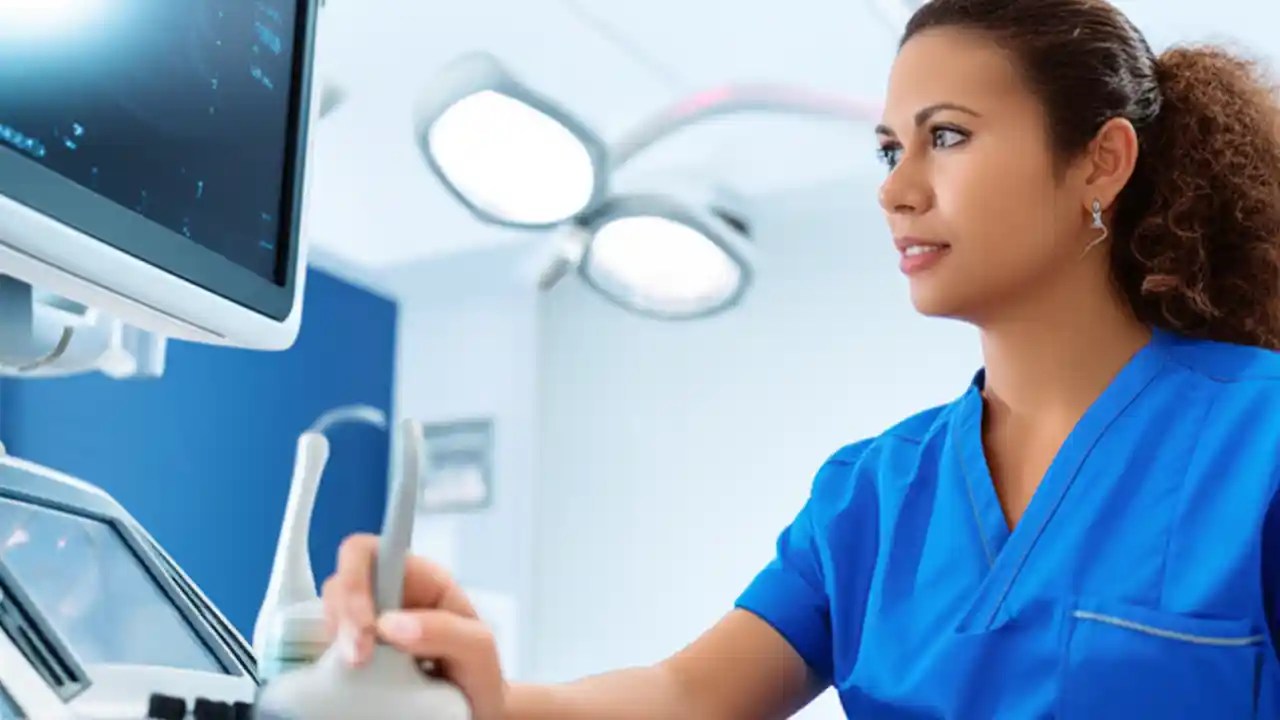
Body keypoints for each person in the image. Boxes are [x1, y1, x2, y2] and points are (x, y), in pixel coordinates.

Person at [320, 0, 1280, 716]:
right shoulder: (870, 496)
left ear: (1100, 163)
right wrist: (478, 688)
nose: (896, 189)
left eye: (946, 136)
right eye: (886, 149)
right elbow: (686, 697)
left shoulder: (1259, 438)